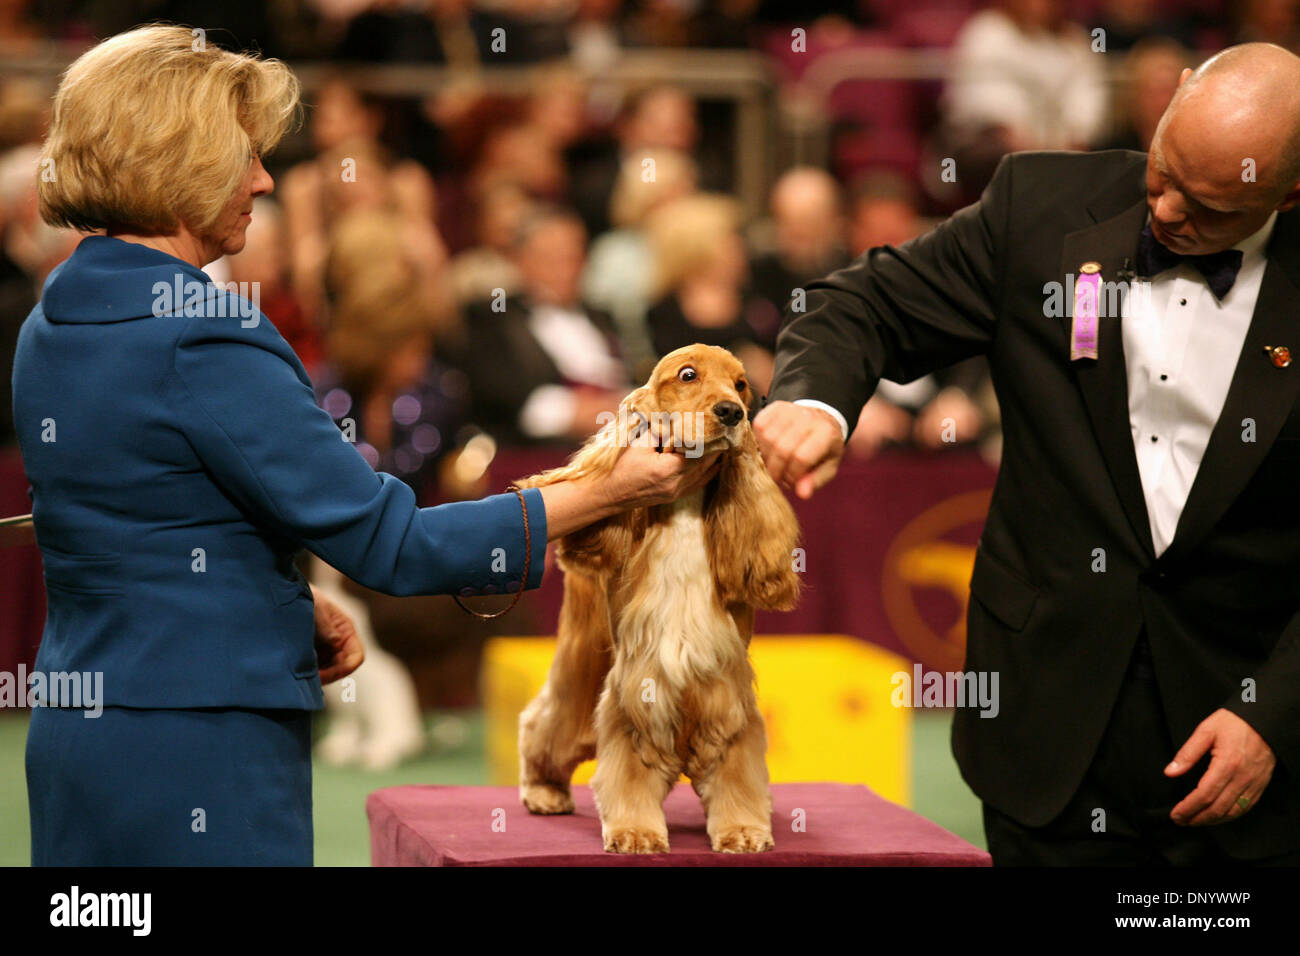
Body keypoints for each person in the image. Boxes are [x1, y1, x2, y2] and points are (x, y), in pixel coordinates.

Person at [14, 25, 718, 867]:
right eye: (244, 158)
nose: (265, 180)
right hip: (200, 754)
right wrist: (608, 490)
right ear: (178, 164)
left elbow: (141, 512)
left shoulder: (53, 319)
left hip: (78, 745)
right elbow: (395, 544)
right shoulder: (205, 335)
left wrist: (275, 596)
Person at [755, 42, 1300, 865]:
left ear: (1290, 193)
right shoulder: (1040, 206)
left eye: (1210, 207)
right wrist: (816, 400)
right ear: (1176, 92)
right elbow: (863, 307)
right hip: (1045, 732)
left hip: (1247, 751)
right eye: (1163, 171)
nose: (1165, 211)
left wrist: (1276, 715)